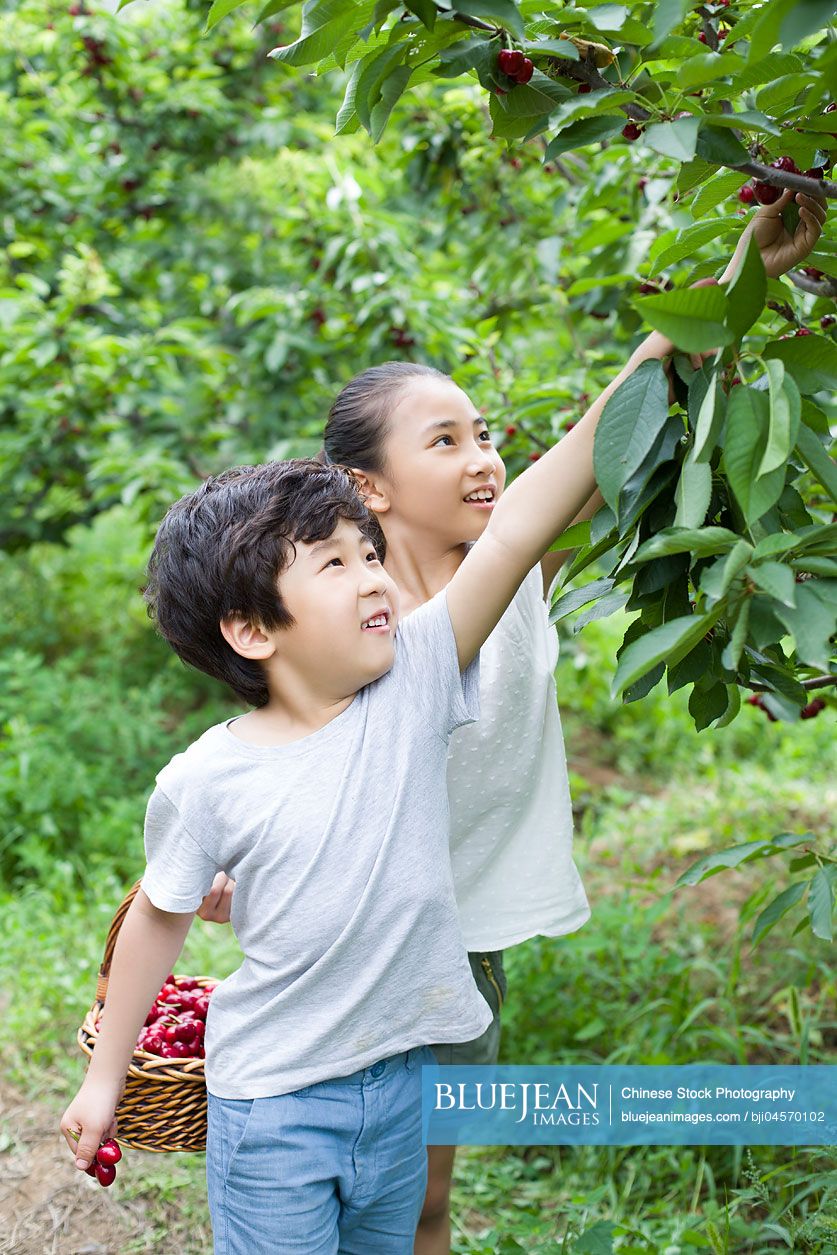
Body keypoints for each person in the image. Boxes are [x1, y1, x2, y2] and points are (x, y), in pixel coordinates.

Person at [190, 184, 828, 1254]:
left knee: (425, 1205)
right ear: (369, 485)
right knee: (362, 1202)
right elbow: (284, 740)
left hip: (466, 937)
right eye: (444, 441)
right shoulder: (381, 617)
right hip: (366, 949)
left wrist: (746, 279)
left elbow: (616, 433)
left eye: (485, 434)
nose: (484, 457)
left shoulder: (510, 567)